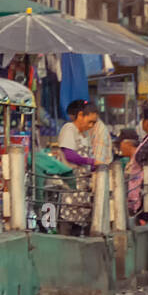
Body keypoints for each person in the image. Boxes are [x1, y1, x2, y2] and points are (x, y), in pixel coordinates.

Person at [55, 101, 99, 235]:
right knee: (66, 226)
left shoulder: (84, 136)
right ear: (80, 115)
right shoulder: (69, 128)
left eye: (94, 123)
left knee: (78, 229)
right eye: (90, 121)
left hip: (82, 191)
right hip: (70, 188)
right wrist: (91, 161)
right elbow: (69, 155)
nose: (91, 125)